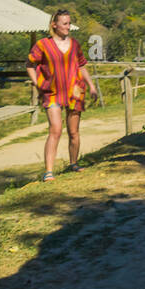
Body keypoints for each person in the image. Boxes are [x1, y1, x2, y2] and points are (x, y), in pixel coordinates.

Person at [26, 9, 98, 180]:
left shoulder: (75, 44)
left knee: (74, 131)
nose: (68, 27)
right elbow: (30, 64)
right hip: (52, 92)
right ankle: (49, 171)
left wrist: (92, 86)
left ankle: (74, 163)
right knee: (55, 129)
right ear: (54, 25)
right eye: (65, 24)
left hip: (75, 91)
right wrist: (37, 83)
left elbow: (81, 66)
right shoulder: (43, 45)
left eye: (69, 23)